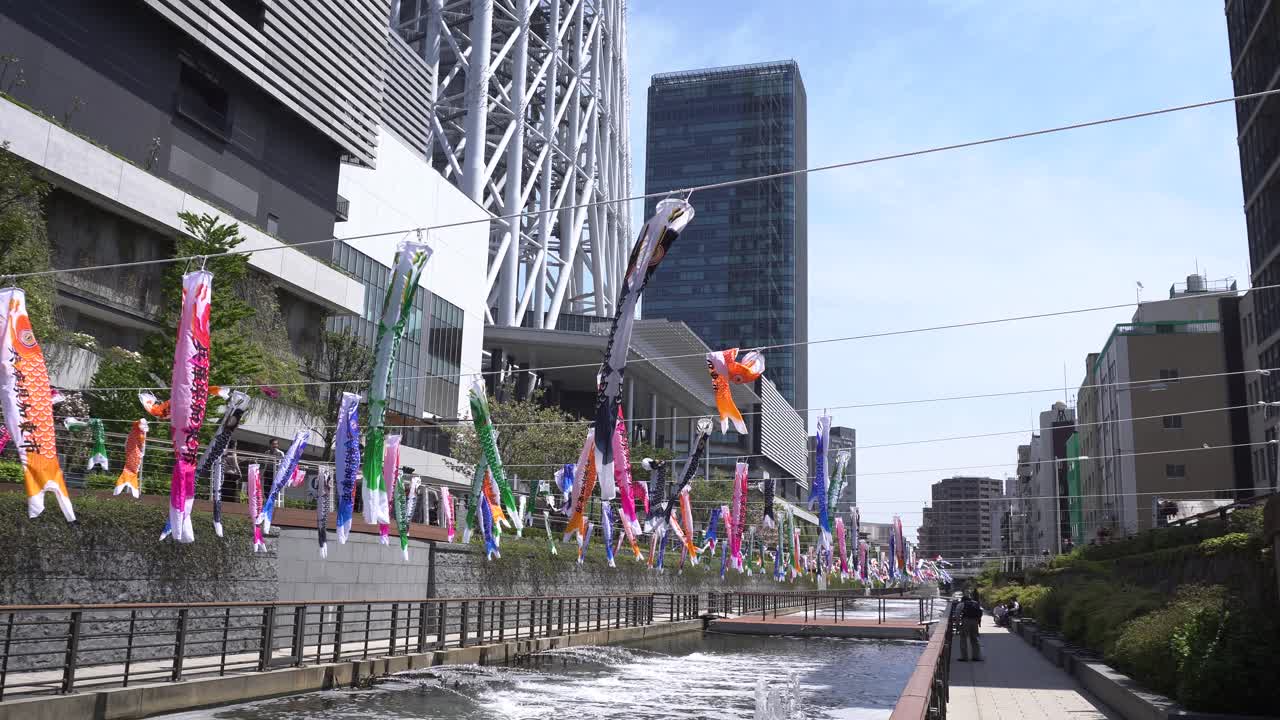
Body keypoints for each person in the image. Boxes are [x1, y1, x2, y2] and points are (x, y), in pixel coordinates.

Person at [957, 592, 983, 661]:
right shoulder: (975, 603)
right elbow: (980, 612)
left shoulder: (961, 604)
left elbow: (957, 615)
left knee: (963, 638)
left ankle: (964, 657)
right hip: (975, 622)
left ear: (962, 600)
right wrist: (978, 623)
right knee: (974, 639)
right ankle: (976, 656)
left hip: (966, 621)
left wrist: (957, 625)